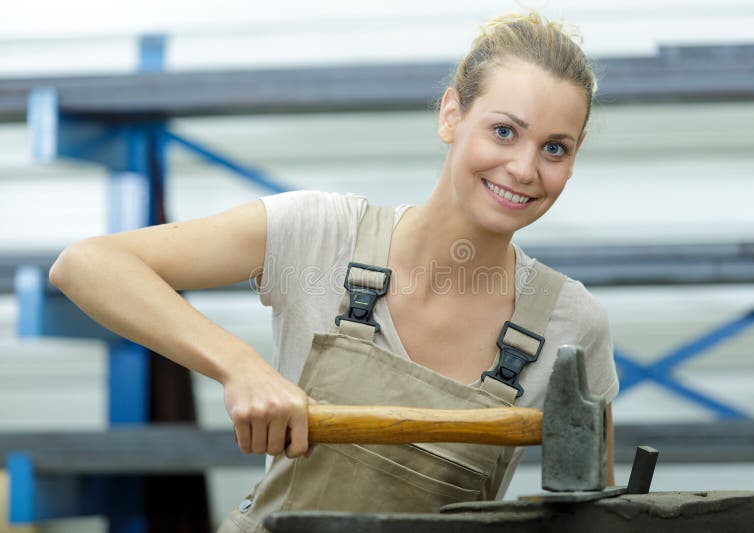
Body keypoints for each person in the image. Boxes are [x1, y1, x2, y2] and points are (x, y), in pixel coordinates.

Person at [49, 9, 619, 532]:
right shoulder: (321, 234)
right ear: (452, 115)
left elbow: (597, 516)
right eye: (504, 131)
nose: (524, 168)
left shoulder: (571, 325)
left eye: (555, 148)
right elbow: (88, 265)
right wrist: (240, 367)